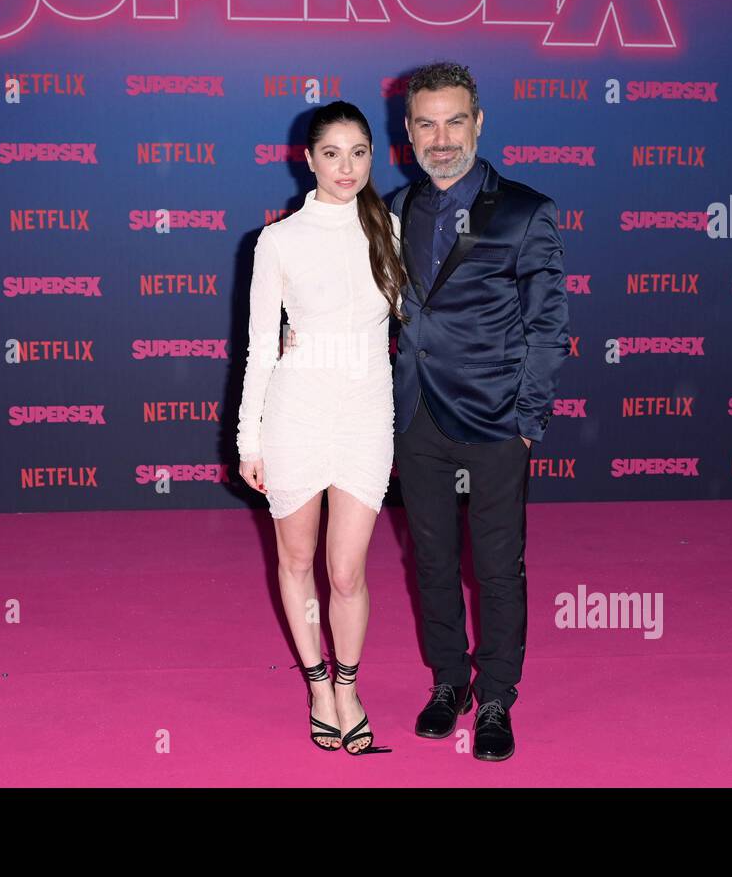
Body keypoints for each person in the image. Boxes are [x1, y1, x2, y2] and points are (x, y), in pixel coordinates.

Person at [391, 62, 570, 761]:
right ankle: (448, 681)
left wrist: (528, 423)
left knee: (497, 567)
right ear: (406, 131)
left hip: (498, 419)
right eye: (426, 123)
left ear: (479, 123)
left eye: (454, 120)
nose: (442, 138)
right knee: (430, 560)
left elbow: (548, 327)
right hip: (416, 417)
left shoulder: (525, 210)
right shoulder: (393, 209)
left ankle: (496, 693)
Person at [236, 101, 406, 754]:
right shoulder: (277, 241)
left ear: (372, 156)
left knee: (346, 571)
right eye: (331, 153)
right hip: (296, 413)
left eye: (358, 152)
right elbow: (258, 349)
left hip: (365, 415)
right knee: (297, 559)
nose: (346, 166)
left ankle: (349, 683)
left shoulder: (390, 231)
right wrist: (247, 439)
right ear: (307, 160)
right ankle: (317, 685)